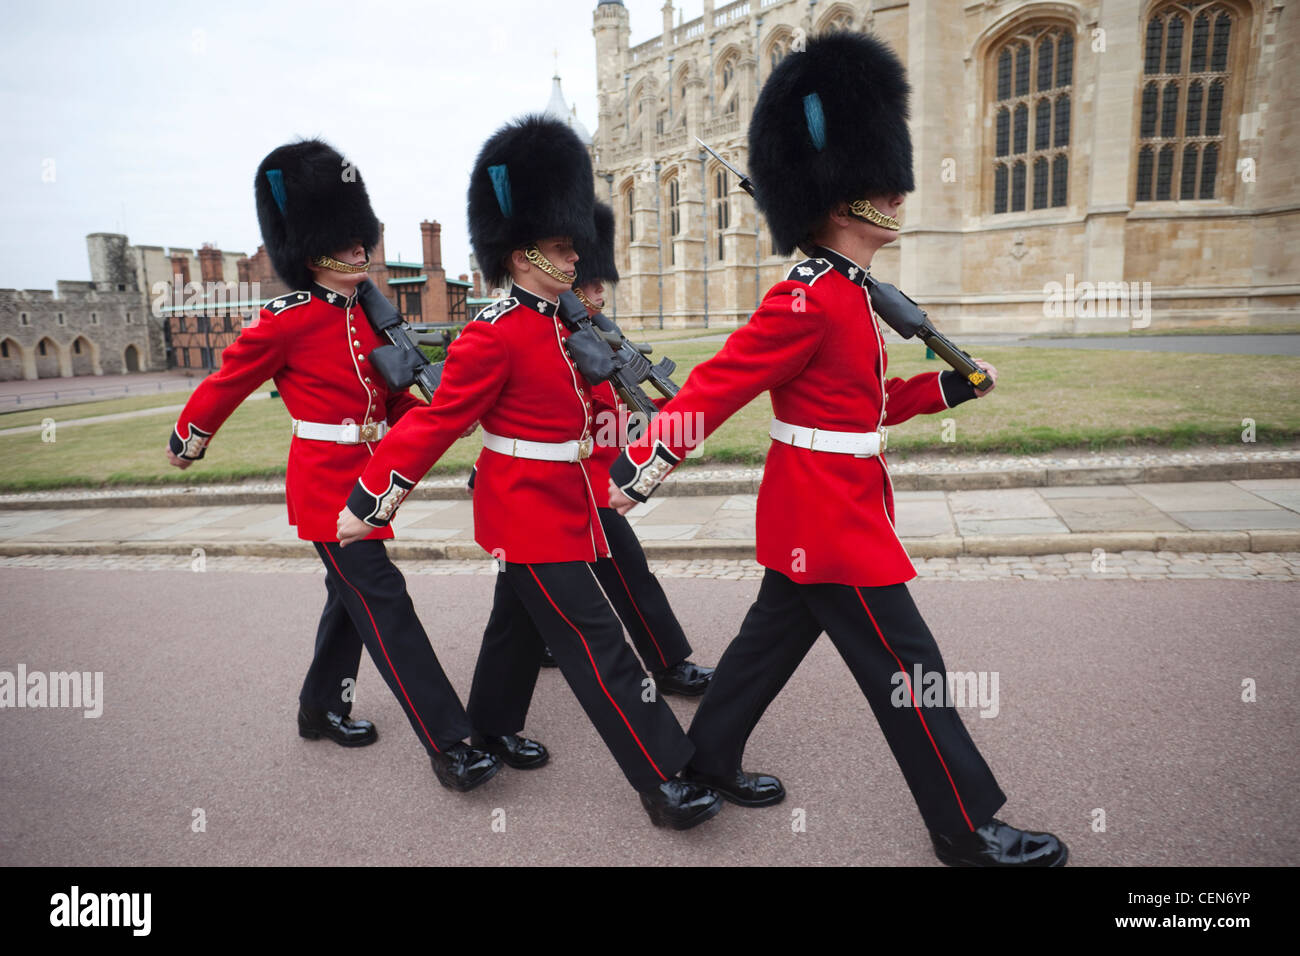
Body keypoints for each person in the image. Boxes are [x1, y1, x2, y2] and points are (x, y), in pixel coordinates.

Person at [609, 33, 1067, 866]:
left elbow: (864, 408)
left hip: (825, 503)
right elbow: (718, 384)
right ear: (842, 199)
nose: (896, 193)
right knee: (911, 669)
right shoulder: (810, 297)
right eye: (880, 184)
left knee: (765, 643)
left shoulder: (851, 297)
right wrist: (642, 463)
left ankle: (705, 760)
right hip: (831, 518)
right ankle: (965, 829)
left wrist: (950, 388)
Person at [337, 116, 722, 830]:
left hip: (567, 503)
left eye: (573, 246)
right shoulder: (496, 334)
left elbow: (586, 424)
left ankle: (487, 728)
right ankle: (665, 778)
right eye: (559, 248)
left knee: (513, 628)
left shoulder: (563, 328)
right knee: (599, 646)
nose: (574, 259)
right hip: (525, 510)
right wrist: (375, 496)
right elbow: (437, 421)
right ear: (519, 255)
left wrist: (627, 473)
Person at [165, 138, 503, 793]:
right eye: (349, 243)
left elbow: (396, 394)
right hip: (325, 488)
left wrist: (434, 416)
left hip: (370, 480)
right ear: (313, 247)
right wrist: (190, 434)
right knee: (385, 603)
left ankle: (320, 707)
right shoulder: (285, 321)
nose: (362, 250)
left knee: (348, 603)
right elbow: (228, 381)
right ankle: (451, 742)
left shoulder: (370, 317)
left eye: (361, 240)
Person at [569, 200, 714, 695]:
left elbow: (612, 404)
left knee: (529, 586)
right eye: (588, 285)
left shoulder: (595, 334)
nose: (598, 293)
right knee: (630, 573)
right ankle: (670, 666)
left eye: (597, 283)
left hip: (596, 475)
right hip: (575, 481)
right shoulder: (560, 338)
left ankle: (541, 644)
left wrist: (657, 411)